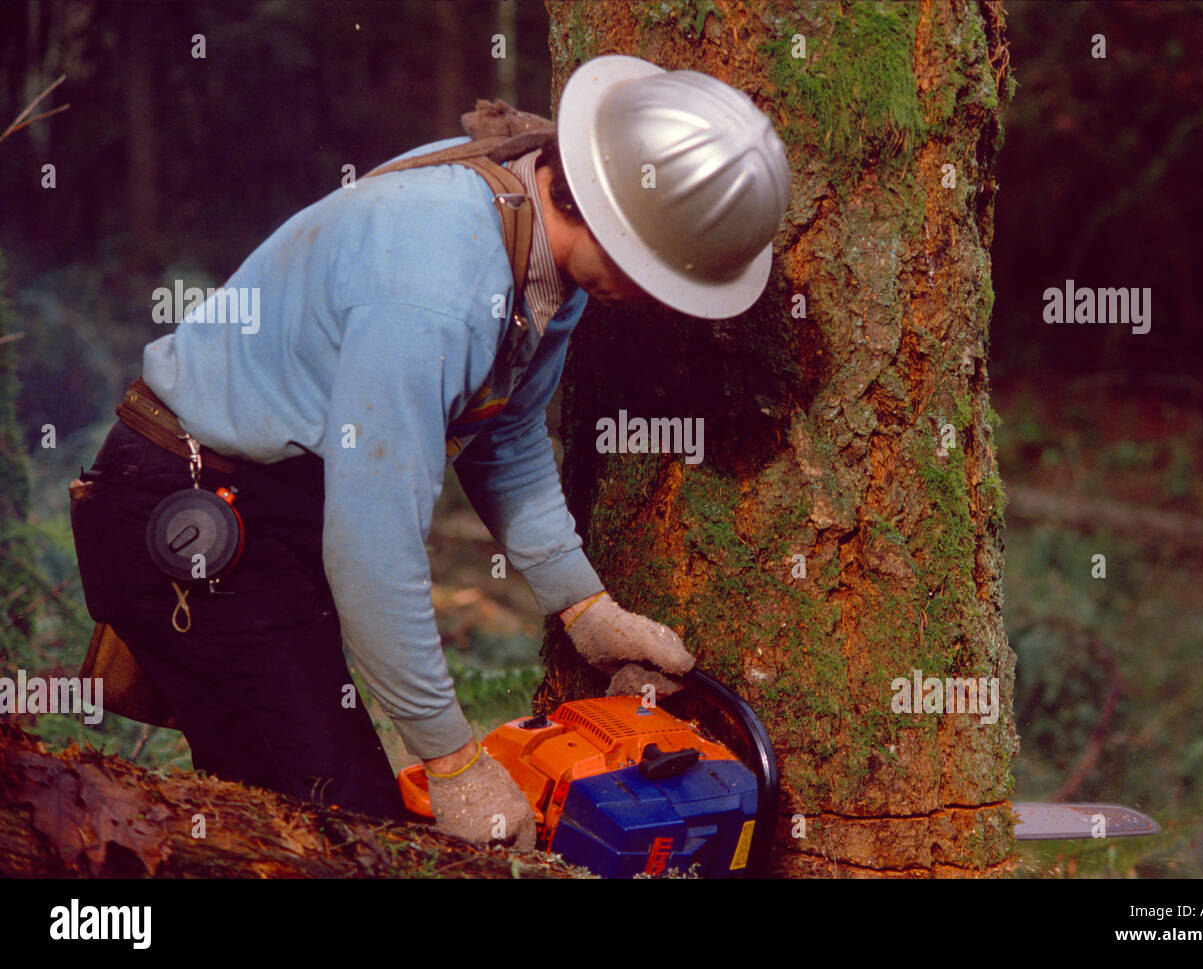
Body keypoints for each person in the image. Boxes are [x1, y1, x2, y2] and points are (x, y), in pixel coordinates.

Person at [69, 55, 790, 849]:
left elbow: (505, 431)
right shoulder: (436, 283)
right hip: (191, 510)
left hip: (272, 500)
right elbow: (374, 547)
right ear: (610, 219)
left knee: (312, 802)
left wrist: (585, 607)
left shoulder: (544, 249)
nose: (658, 298)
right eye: (657, 272)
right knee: (340, 830)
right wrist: (452, 761)